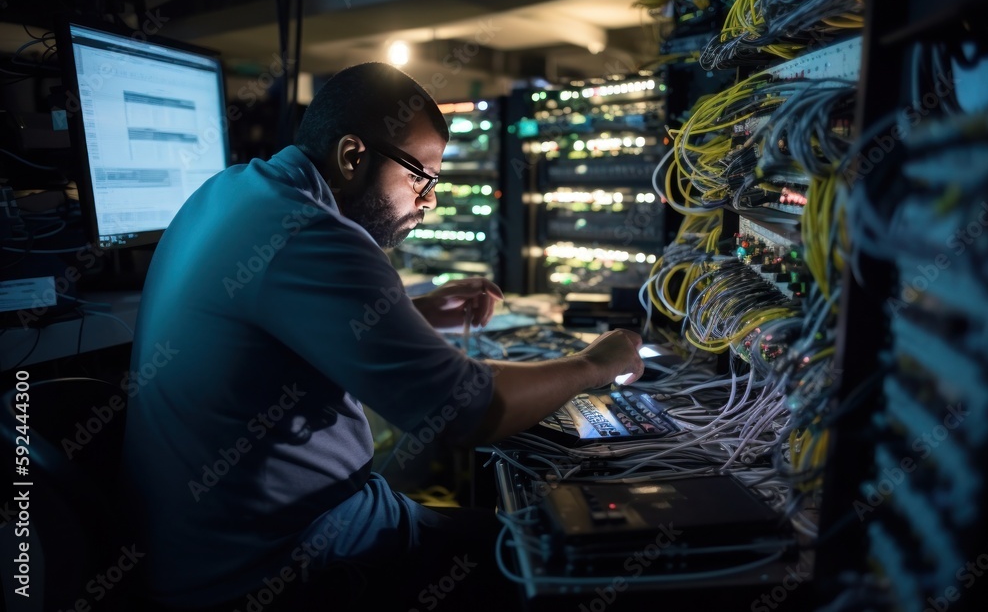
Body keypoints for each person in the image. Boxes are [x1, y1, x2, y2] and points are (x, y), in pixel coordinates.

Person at [120, 62, 644, 611]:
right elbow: (468, 412)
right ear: (353, 156)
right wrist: (597, 363)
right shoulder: (313, 232)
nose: (429, 201)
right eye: (421, 177)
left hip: (203, 551)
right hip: (277, 564)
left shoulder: (233, 190)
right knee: (553, 560)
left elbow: (273, 326)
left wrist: (413, 312)